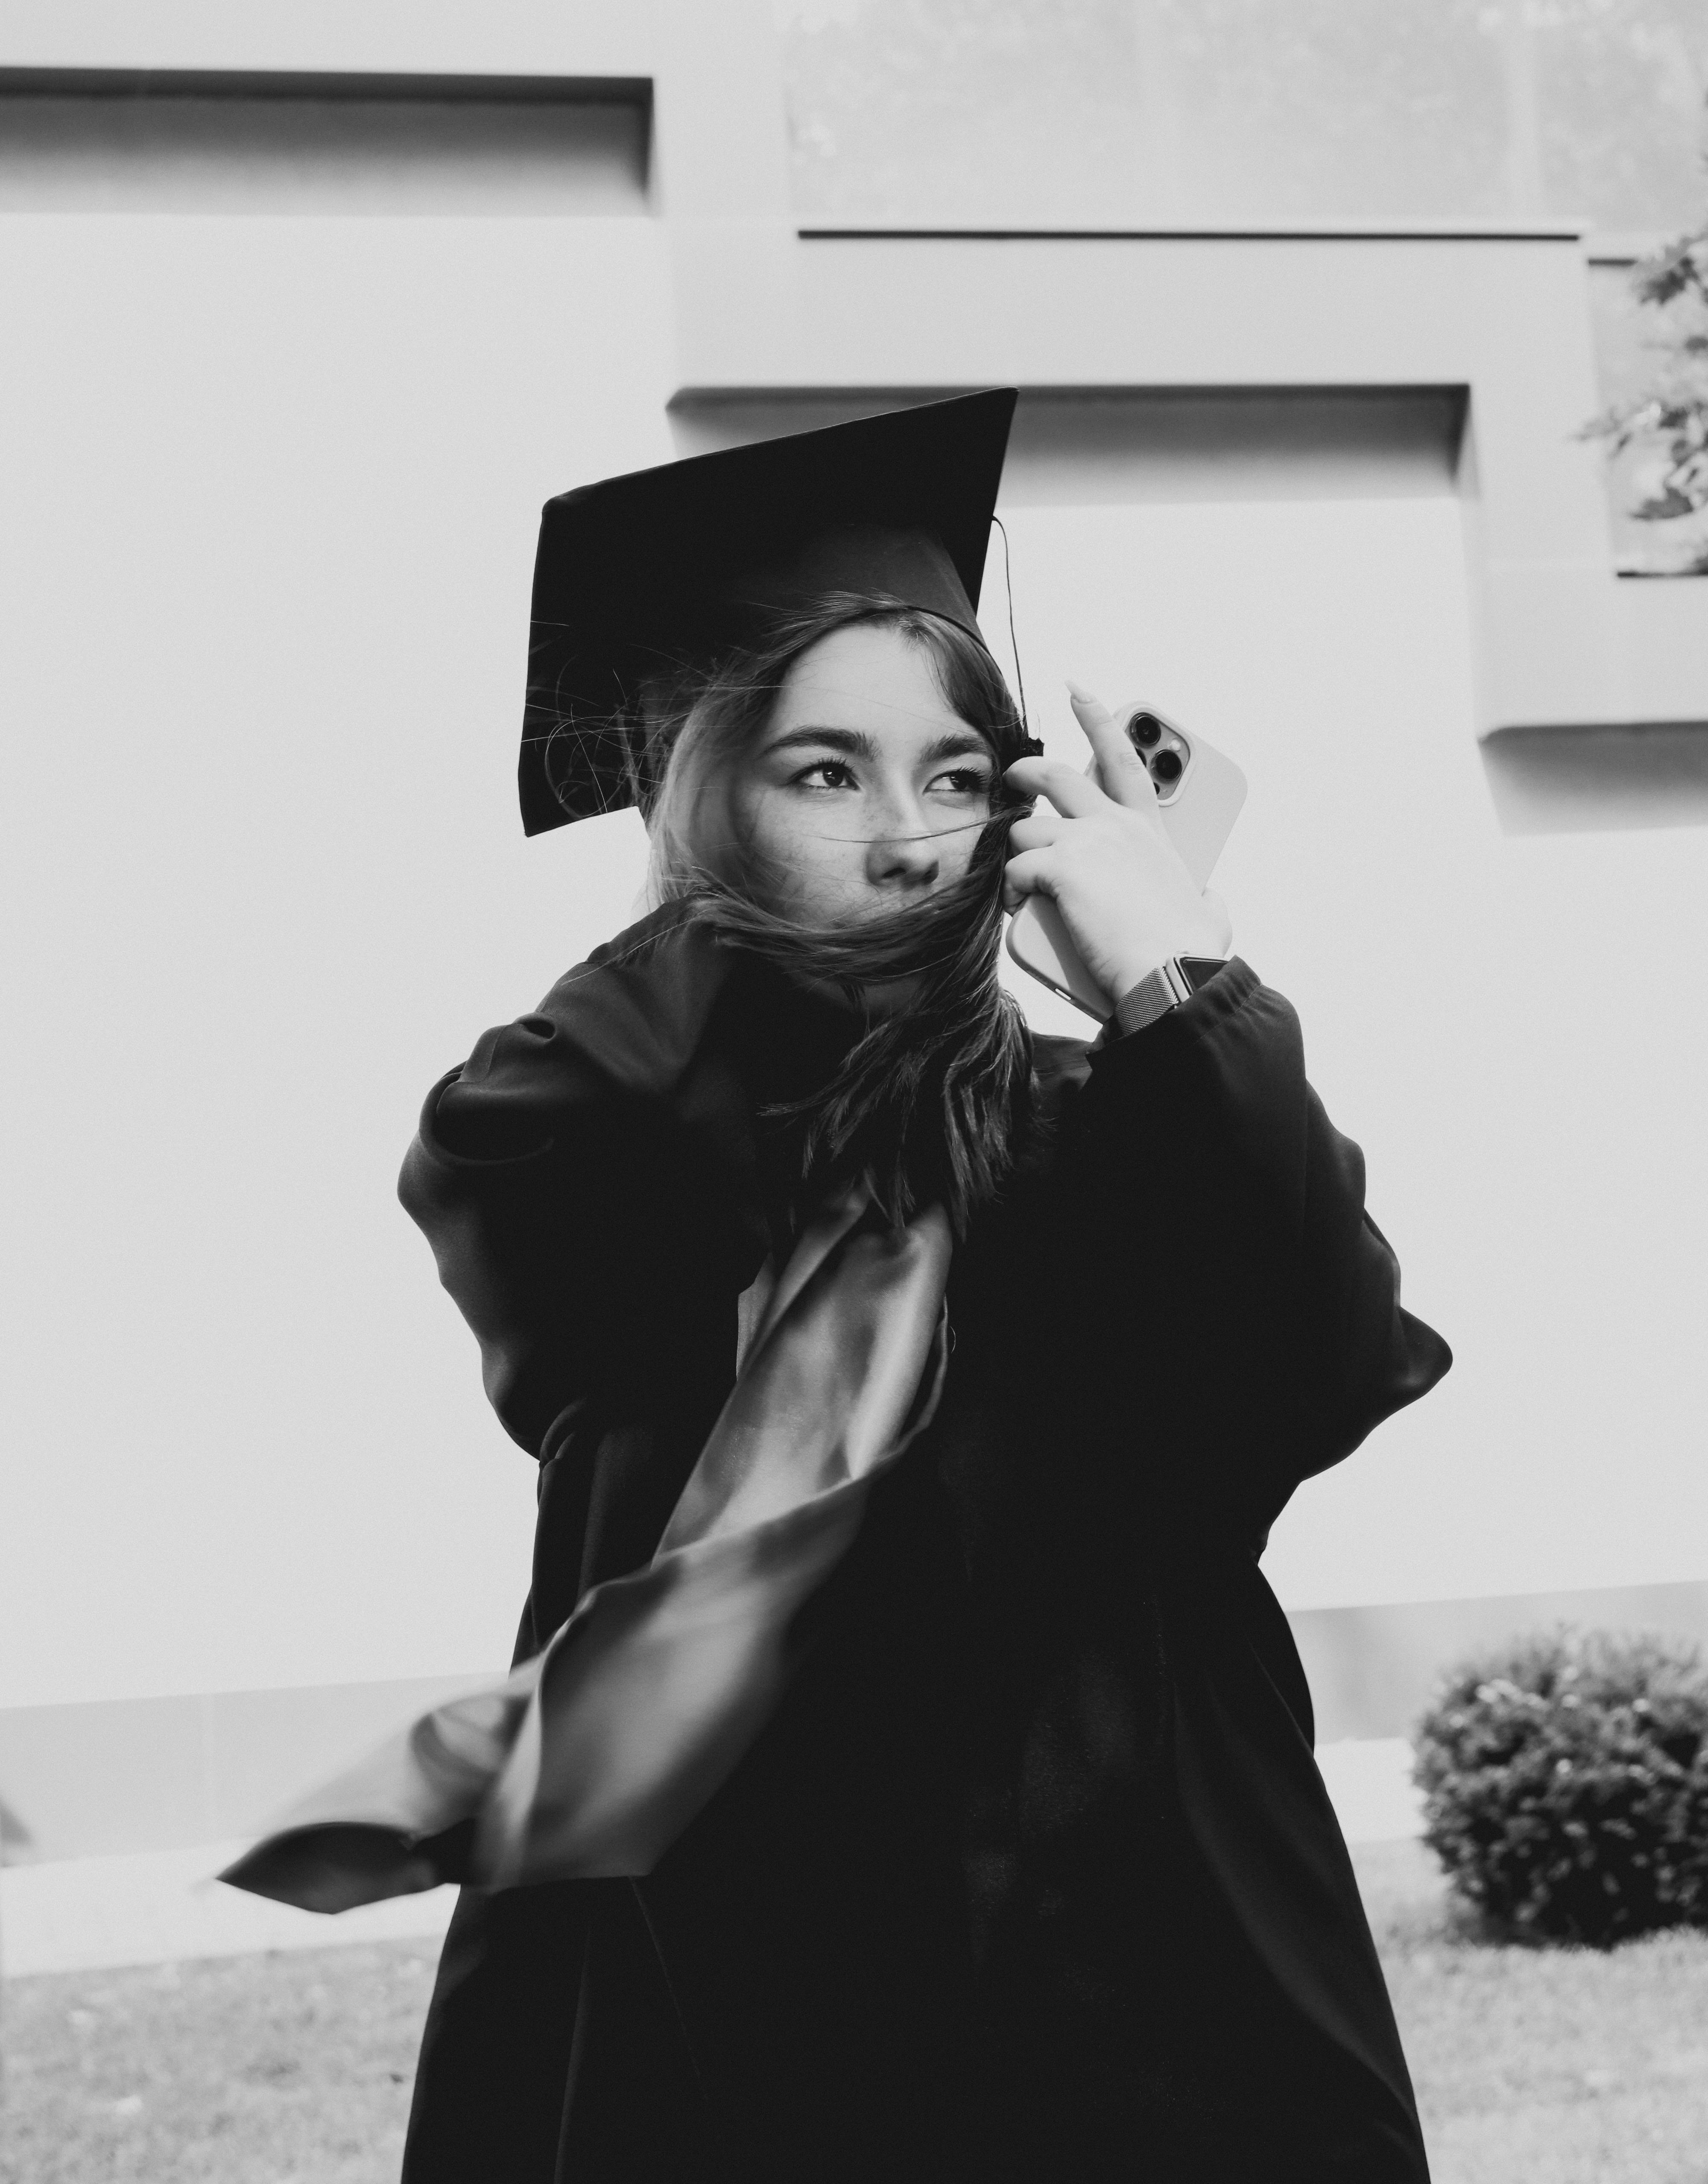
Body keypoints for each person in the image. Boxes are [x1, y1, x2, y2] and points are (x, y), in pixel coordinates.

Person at [233, 391, 1449, 2179]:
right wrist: (774, 968)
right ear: (702, 796)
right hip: (730, 1971)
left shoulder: (1114, 1121)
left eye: (958, 777)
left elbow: (1320, 1357)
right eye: (824, 772)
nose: (907, 841)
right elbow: (579, 1168)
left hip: (1138, 1969)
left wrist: (1180, 977)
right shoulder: (582, 1118)